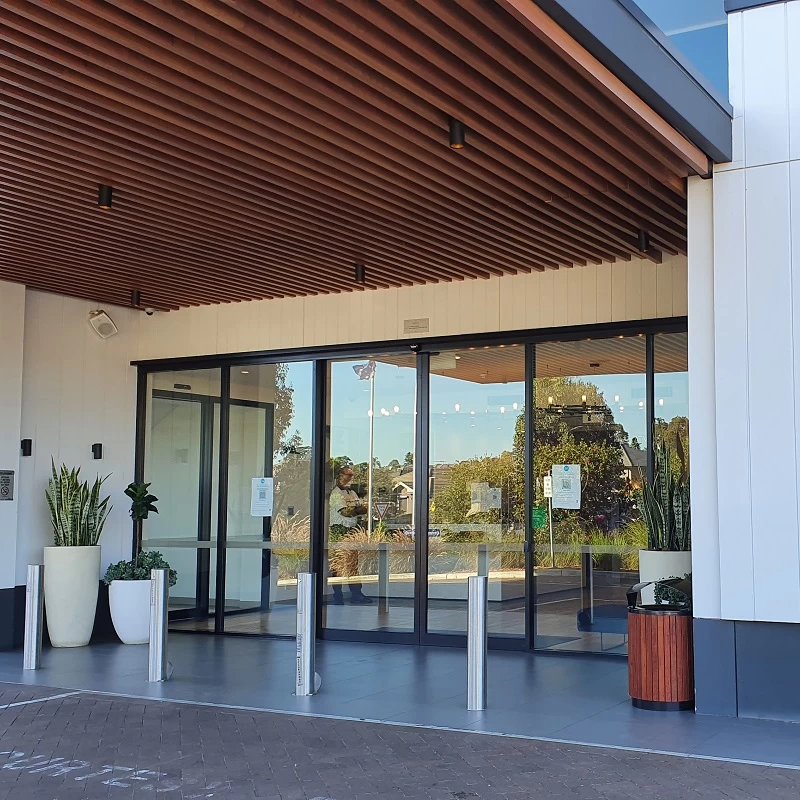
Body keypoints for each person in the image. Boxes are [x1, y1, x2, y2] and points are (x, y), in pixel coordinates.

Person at [328, 466, 373, 604]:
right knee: (339, 564)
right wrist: (358, 509)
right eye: (347, 475)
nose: (349, 478)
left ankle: (356, 593)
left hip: (352, 529)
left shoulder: (352, 492)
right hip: (340, 529)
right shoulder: (336, 494)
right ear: (339, 476)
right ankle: (338, 595)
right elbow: (345, 512)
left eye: (351, 475)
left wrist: (359, 509)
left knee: (353, 563)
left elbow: (362, 508)